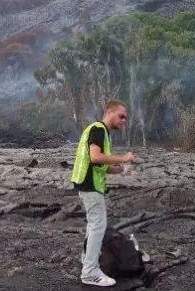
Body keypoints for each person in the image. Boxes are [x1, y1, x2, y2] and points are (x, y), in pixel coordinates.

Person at [71, 99, 134, 287]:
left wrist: (122, 169)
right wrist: (123, 158)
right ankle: (90, 272)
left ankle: (86, 258)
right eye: (121, 116)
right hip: (89, 185)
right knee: (98, 224)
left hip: (89, 184)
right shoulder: (98, 129)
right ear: (110, 113)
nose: (124, 120)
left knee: (94, 225)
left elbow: (100, 165)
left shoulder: (102, 133)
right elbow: (95, 157)